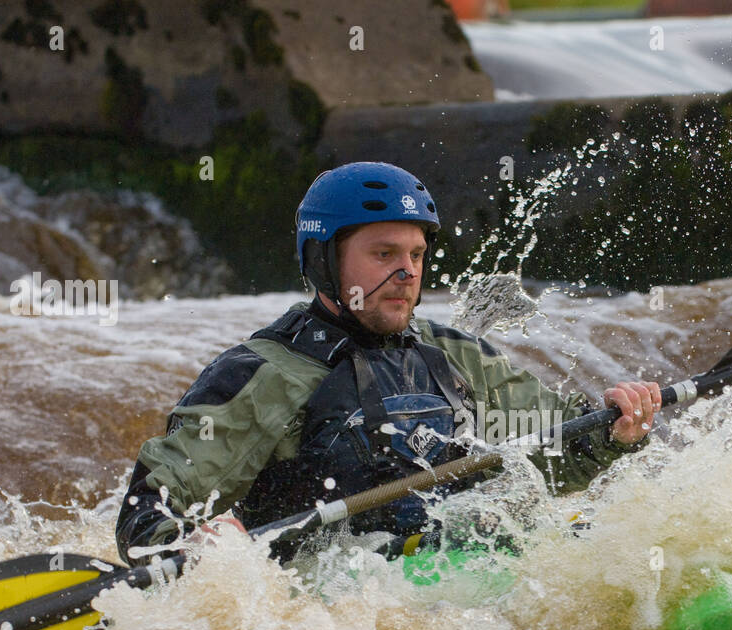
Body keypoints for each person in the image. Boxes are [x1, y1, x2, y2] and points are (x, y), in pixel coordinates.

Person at [115, 162, 661, 565]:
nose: (407, 272)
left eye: (416, 256)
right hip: (341, 602)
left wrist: (615, 431)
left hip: (458, 564)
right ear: (325, 259)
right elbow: (145, 518)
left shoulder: (454, 354)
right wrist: (199, 543)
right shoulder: (262, 375)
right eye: (384, 255)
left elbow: (548, 456)